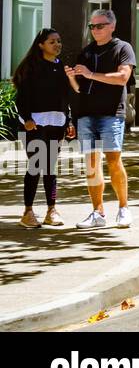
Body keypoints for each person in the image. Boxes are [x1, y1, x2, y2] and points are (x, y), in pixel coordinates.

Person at [68, 10, 135, 229]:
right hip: (87, 115)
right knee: (91, 164)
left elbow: (123, 78)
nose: (95, 30)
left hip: (111, 114)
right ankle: (97, 212)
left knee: (114, 161)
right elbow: (79, 88)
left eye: (100, 26)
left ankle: (123, 209)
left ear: (112, 26)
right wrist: (72, 78)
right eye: (92, 26)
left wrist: (90, 74)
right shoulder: (86, 52)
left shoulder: (122, 48)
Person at [12, 29, 75, 228]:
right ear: (41, 45)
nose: (57, 44)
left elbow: (66, 98)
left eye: (59, 41)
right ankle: (28, 212)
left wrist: (70, 121)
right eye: (52, 42)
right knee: (35, 166)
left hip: (57, 123)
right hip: (35, 124)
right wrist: (27, 119)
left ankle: (51, 211)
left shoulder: (62, 68)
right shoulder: (30, 68)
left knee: (50, 168)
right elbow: (21, 98)